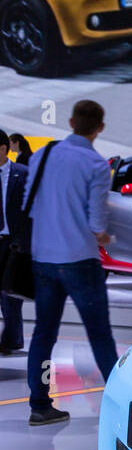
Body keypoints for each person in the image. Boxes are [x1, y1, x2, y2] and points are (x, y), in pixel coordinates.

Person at [24, 100, 118, 426]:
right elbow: (96, 224)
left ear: (70, 121)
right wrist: (107, 239)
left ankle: (39, 405)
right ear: (100, 127)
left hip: (43, 258)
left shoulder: (42, 155)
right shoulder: (95, 164)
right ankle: (118, 404)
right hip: (79, 259)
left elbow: (29, 206)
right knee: (100, 336)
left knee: (43, 333)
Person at [0, 130, 30, 355]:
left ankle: (11, 340)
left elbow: (30, 210)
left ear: (3, 149)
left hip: (13, 243)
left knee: (10, 294)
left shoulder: (22, 173)